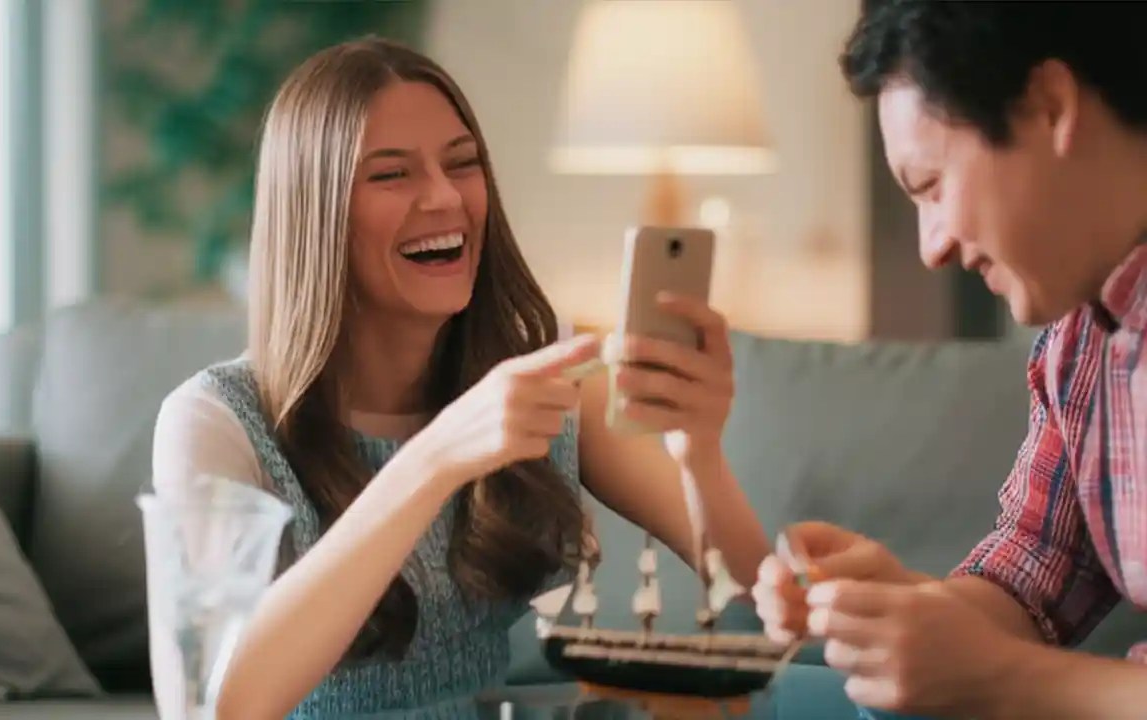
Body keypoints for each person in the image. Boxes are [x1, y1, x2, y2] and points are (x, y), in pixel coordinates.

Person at [149, 37, 769, 719]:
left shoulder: (546, 383)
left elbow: (761, 591)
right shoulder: (216, 421)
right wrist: (438, 456)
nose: (445, 197)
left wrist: (702, 456)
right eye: (391, 175)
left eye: (463, 164)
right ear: (315, 213)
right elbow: (214, 708)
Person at [752, 2, 1147, 718]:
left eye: (931, 186)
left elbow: (1005, 664)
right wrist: (904, 610)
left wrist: (1004, 677)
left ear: (1048, 106)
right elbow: (1031, 576)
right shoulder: (1080, 344)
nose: (930, 246)